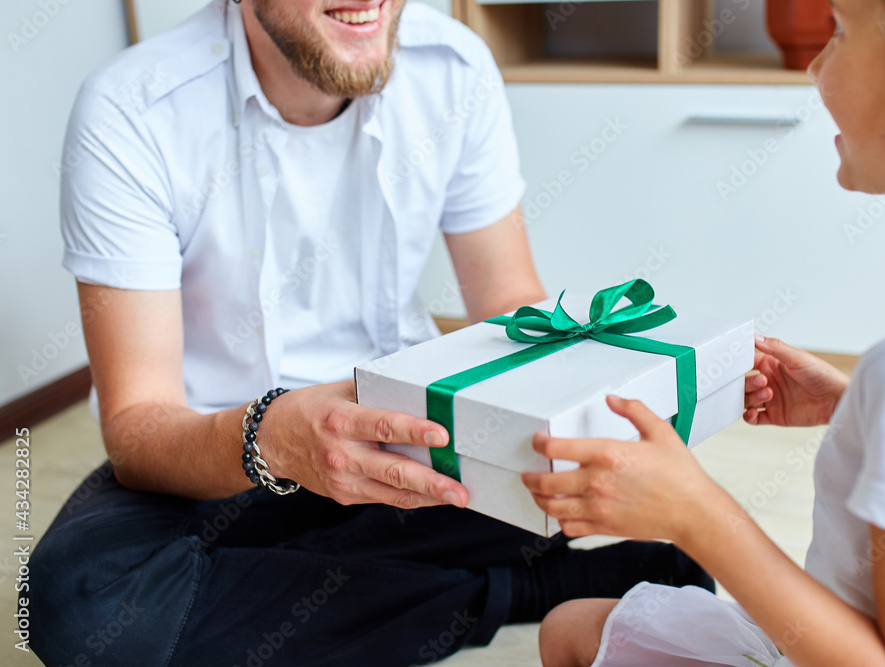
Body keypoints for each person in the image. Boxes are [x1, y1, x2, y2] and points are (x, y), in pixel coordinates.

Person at [29, 0, 714, 664]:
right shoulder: (133, 109)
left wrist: (572, 413)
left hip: (407, 432)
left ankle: (321, 584)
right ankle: (529, 586)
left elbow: (506, 298)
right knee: (80, 602)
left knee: (538, 481)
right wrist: (278, 436)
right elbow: (138, 431)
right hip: (224, 452)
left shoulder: (453, 67)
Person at [522, 0, 885, 665]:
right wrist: (858, 411)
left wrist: (697, 515)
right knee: (575, 626)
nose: (814, 63)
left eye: (839, 31)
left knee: (574, 635)